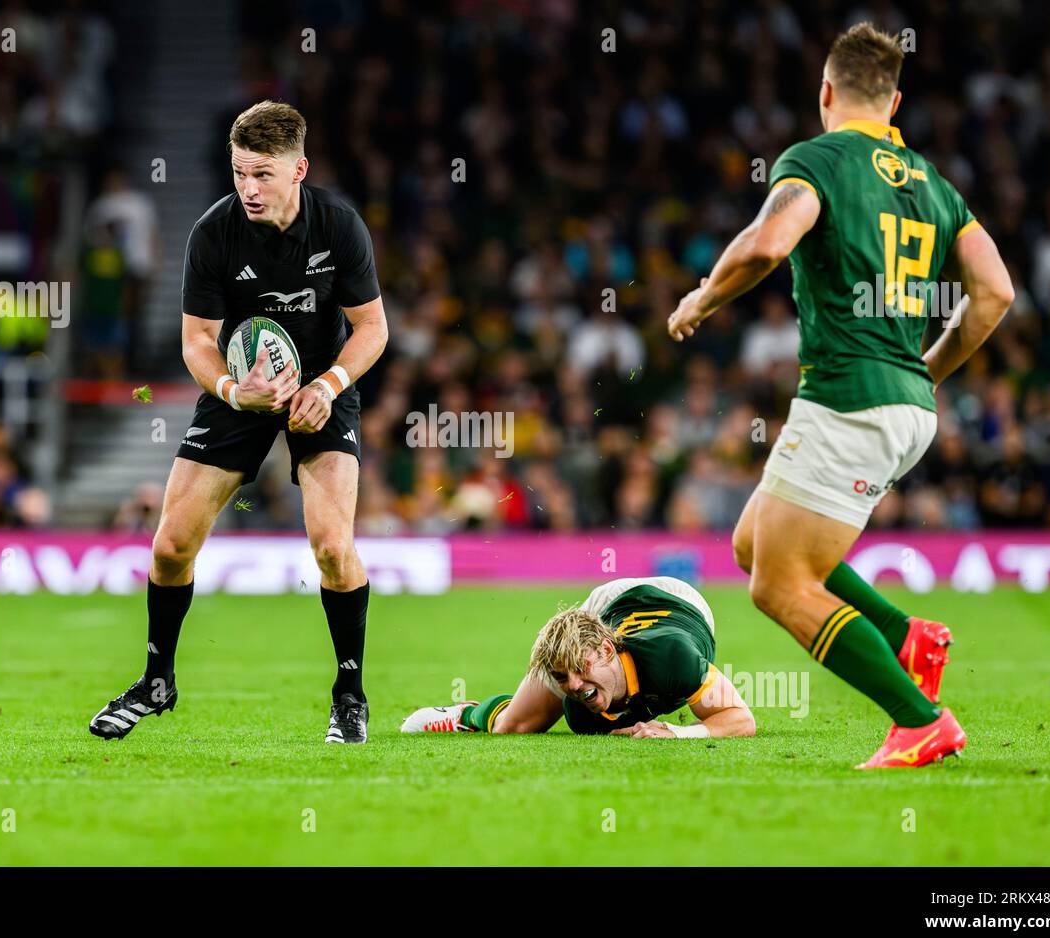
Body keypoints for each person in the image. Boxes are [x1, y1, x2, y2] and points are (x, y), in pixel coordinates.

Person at [666, 23, 1014, 768]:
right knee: (751, 543)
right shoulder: (934, 182)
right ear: (895, 102)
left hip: (849, 397)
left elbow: (765, 243)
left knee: (779, 584)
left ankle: (918, 720)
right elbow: (995, 294)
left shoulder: (816, 159)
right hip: (904, 400)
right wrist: (925, 370)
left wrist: (701, 300)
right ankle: (904, 637)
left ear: (825, 92)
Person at [90, 101, 389, 744]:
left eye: (262, 175)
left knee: (334, 547)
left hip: (321, 390)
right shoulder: (213, 233)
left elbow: (372, 329)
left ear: (298, 170)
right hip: (241, 389)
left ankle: (349, 694)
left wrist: (329, 383)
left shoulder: (338, 226)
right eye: (238, 173)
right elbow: (197, 339)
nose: (248, 189)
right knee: (170, 545)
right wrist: (233, 389)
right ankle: (155, 681)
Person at [401, 577, 755, 741]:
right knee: (515, 726)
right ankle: (464, 714)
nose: (572, 686)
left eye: (580, 670)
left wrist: (678, 731)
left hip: (671, 599)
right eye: (561, 678)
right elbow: (573, 675)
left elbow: (740, 719)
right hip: (611, 617)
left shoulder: (673, 658)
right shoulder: (583, 713)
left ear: (604, 650)